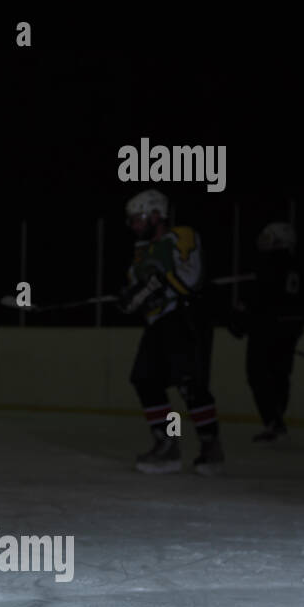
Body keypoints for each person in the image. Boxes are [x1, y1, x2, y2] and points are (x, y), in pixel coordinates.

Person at [117, 189, 224, 475]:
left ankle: (210, 445)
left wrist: (158, 285)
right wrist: (131, 299)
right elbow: (135, 291)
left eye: (138, 219)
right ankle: (166, 445)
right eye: (132, 221)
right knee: (144, 379)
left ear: (156, 215)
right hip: (157, 324)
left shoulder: (182, 236)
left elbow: (192, 276)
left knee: (190, 382)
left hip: (184, 318)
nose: (135, 226)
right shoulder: (140, 253)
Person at [228, 222, 304, 442]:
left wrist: (240, 321)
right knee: (281, 375)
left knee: (257, 373)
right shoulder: (295, 265)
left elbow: (259, 297)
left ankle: (273, 420)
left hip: (267, 328)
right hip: (289, 327)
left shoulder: (269, 263)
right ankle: (276, 419)